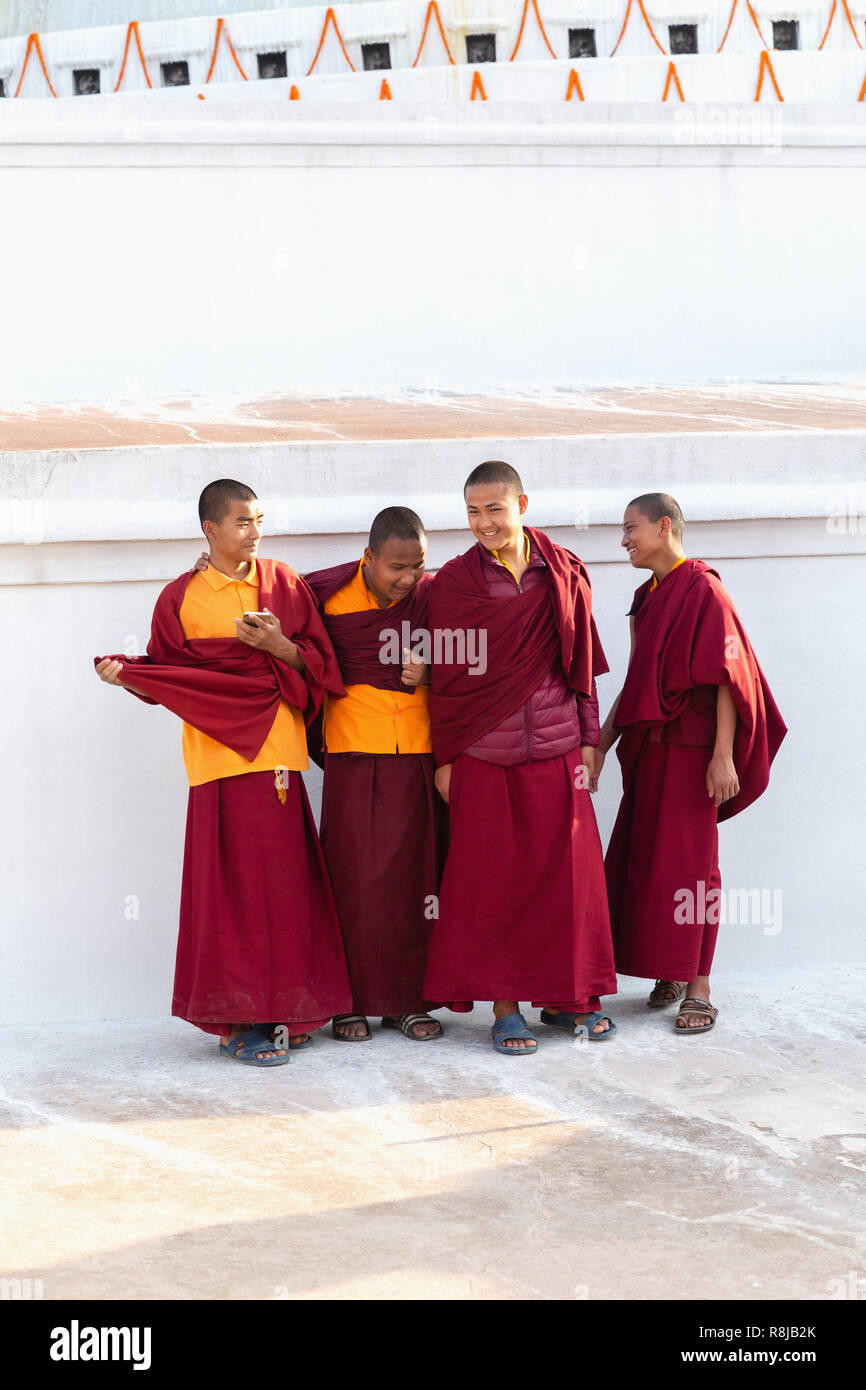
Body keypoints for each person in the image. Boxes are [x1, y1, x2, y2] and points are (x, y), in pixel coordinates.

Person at [94, 479, 352, 1066]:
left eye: (259, 519)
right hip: (216, 762)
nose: (254, 532)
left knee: (284, 894)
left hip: (279, 755)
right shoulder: (180, 598)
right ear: (210, 530)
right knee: (230, 895)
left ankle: (289, 1007)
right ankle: (239, 1022)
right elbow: (172, 680)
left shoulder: (284, 584)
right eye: (241, 522)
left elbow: (322, 666)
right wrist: (129, 677)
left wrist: (281, 645)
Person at [421, 460, 617, 1054]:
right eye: (473, 512)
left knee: (570, 881)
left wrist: (590, 742)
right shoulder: (454, 583)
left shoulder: (562, 571)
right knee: (493, 883)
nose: (484, 522)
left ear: (522, 505)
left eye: (494, 509)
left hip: (558, 747)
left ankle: (571, 997)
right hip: (484, 753)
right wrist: (446, 757)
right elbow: (447, 681)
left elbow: (580, 664)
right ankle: (505, 1008)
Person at [597, 493, 787, 1034]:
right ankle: (670, 970)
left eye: (631, 528)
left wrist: (723, 756)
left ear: (663, 526)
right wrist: (604, 744)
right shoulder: (646, 596)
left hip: (694, 754)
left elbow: (728, 677)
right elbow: (637, 682)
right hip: (649, 751)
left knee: (694, 870)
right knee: (644, 863)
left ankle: (699, 987)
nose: (625, 539)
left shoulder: (704, 589)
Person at [304, 507, 448, 1043]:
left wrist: (432, 670)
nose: (408, 579)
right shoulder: (327, 595)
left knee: (417, 879)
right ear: (368, 558)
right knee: (352, 882)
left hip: (416, 748)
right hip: (352, 749)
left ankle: (409, 1002)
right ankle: (350, 1003)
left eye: (418, 566)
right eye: (396, 568)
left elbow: (474, 654)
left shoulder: (436, 596)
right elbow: (260, 600)